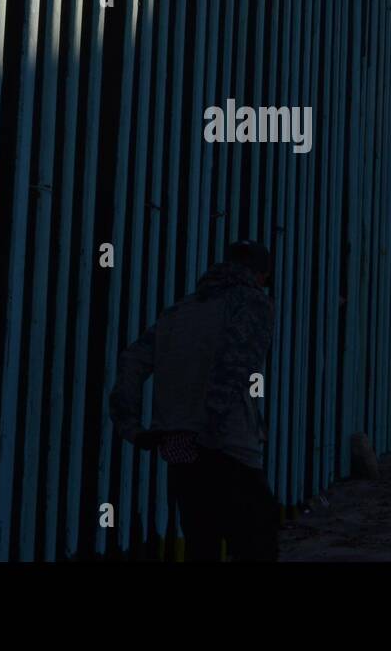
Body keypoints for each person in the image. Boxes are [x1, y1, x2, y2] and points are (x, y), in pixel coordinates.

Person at [109, 240, 278, 561]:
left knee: (202, 542)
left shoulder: (179, 311)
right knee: (257, 540)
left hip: (178, 445)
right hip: (227, 446)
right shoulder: (253, 303)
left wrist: (131, 427)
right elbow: (236, 367)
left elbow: (131, 362)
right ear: (261, 275)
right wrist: (211, 429)